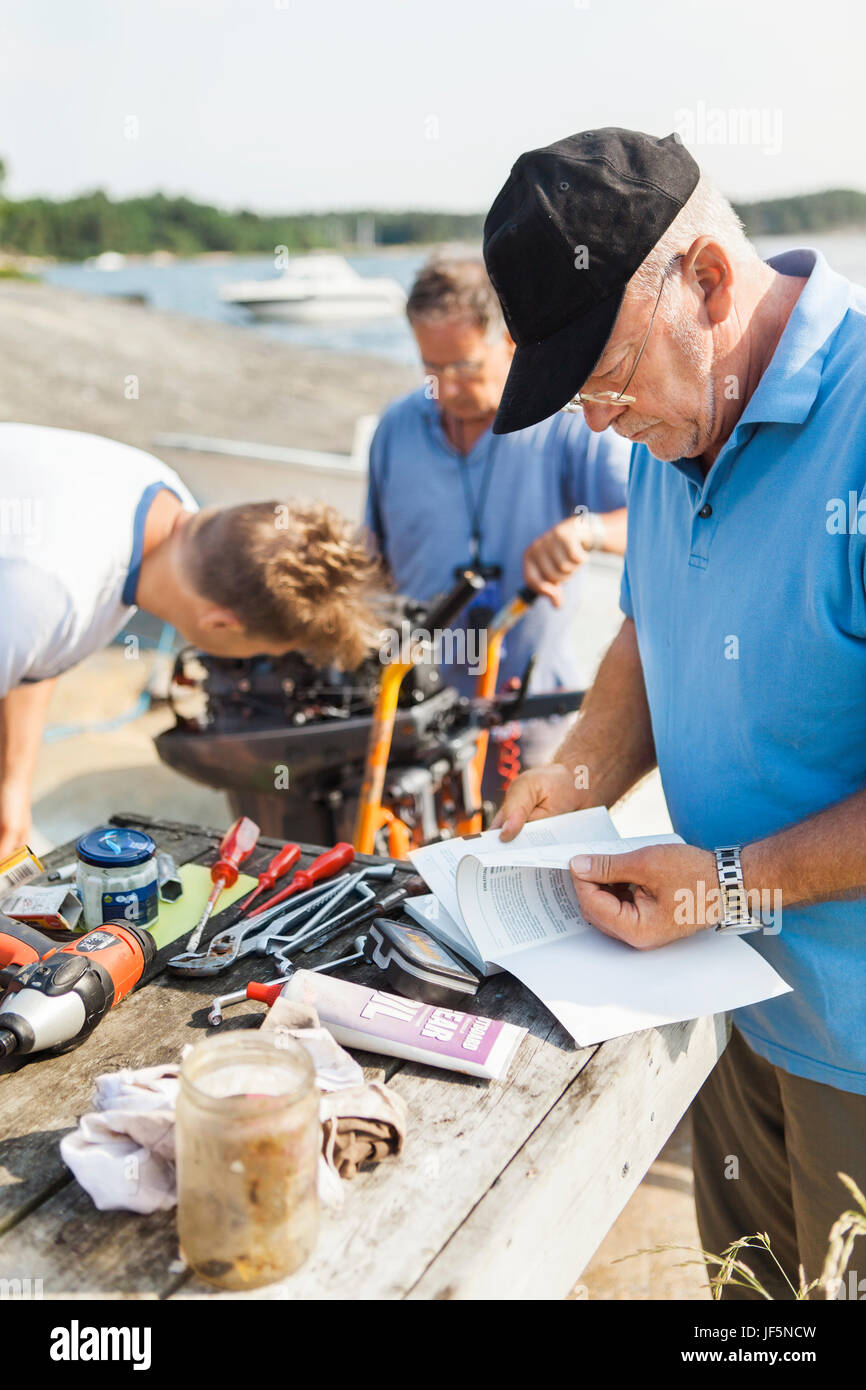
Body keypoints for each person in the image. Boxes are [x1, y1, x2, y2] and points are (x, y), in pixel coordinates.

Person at [483, 127, 866, 1298]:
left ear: (706, 277)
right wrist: (582, 774)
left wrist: (724, 880)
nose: (597, 426)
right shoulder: (683, 405)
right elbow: (652, 628)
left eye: (606, 378)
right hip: (723, 1002)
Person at [0, 423, 380, 857]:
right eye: (258, 653)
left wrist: (12, 785)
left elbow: (36, 656)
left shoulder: (159, 495)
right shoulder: (44, 590)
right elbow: (34, 622)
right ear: (220, 624)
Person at [365, 255, 629, 798]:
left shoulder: (566, 422)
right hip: (417, 708)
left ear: (510, 340)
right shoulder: (394, 427)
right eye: (430, 368)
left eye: (463, 367)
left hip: (530, 710)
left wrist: (587, 533)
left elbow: (650, 522)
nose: (447, 387)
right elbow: (373, 562)